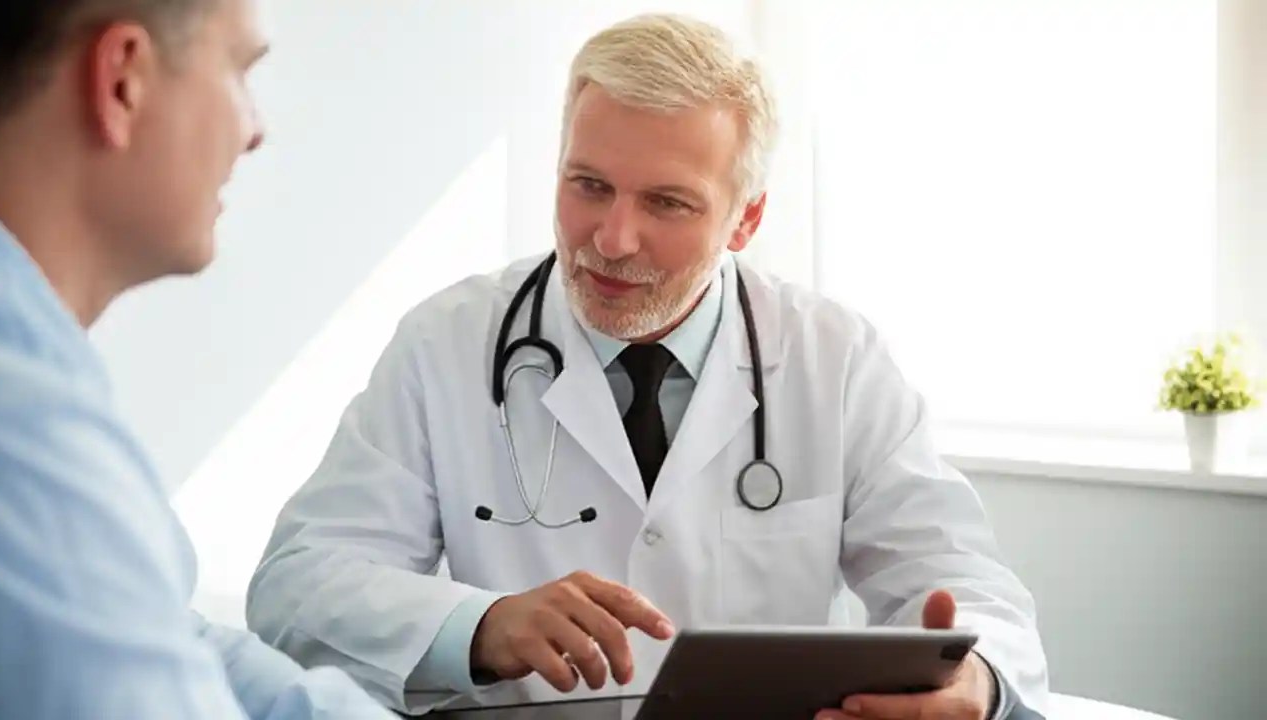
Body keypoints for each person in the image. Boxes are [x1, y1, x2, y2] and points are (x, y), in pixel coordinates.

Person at [247, 13, 1049, 719]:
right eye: (588, 185)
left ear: (747, 217)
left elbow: (965, 585)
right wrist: (481, 625)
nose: (612, 238)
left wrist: (975, 682)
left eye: (667, 203)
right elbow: (297, 584)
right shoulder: (446, 344)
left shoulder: (834, 359)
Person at [0, 1, 393, 717]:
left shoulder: (32, 371)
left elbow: (170, 637)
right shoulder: (16, 426)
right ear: (123, 82)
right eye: (239, 70)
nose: (254, 129)